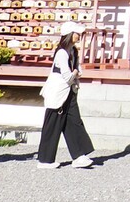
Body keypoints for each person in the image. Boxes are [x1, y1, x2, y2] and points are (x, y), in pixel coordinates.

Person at [37, 23, 96, 169]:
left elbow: (77, 70)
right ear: (70, 34)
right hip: (58, 92)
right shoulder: (61, 53)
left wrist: (76, 71)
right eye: (76, 33)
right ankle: (45, 160)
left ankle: (79, 156)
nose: (79, 36)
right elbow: (68, 76)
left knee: (75, 122)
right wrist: (76, 72)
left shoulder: (73, 51)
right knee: (52, 124)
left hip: (69, 91)